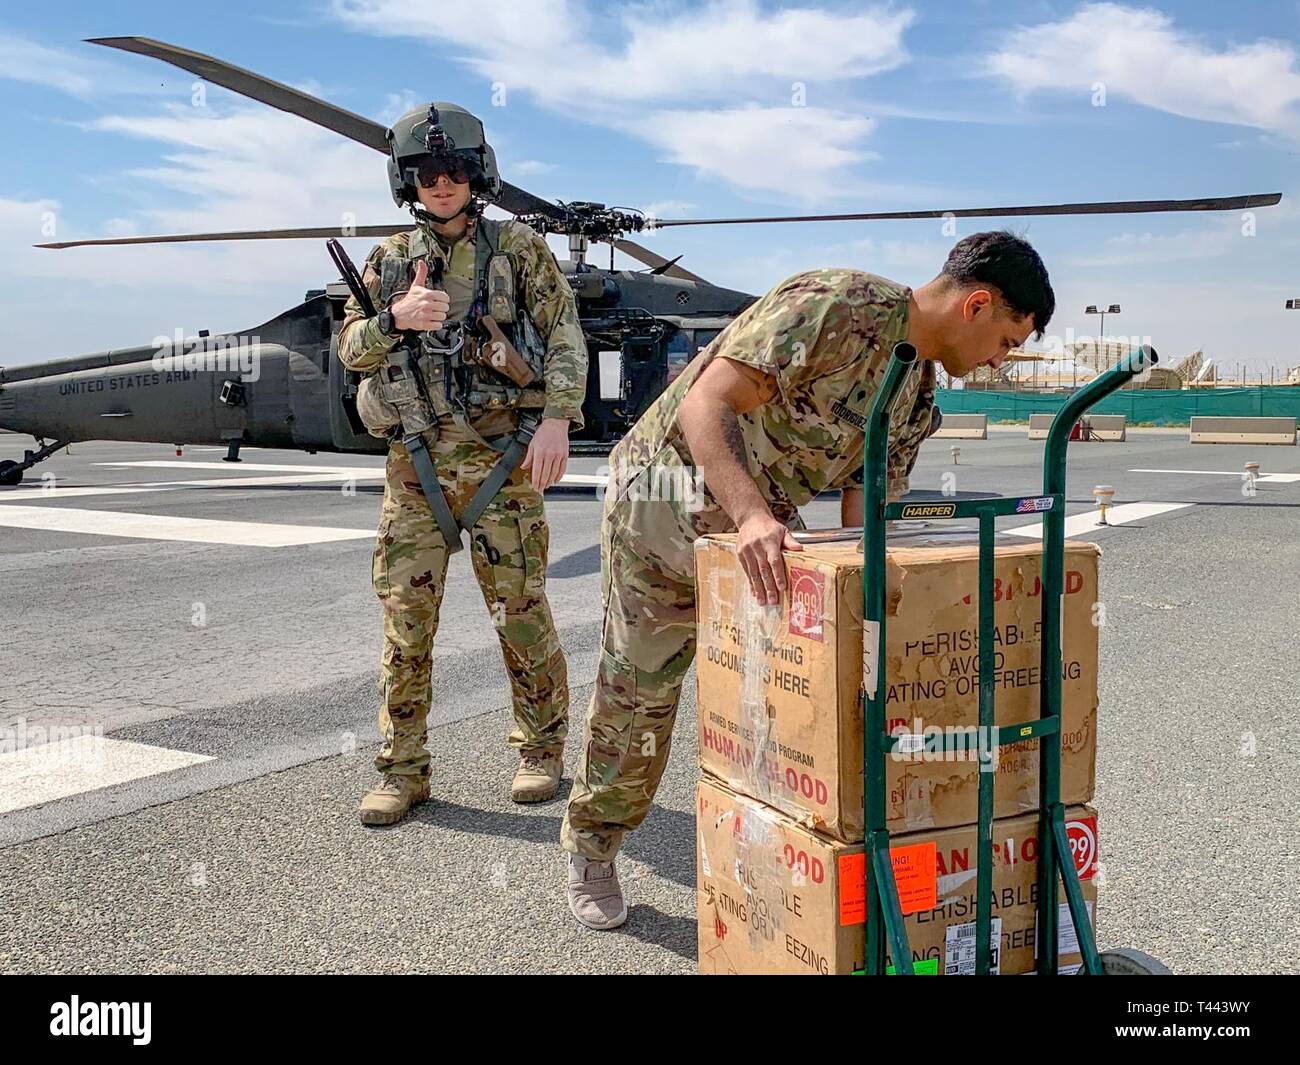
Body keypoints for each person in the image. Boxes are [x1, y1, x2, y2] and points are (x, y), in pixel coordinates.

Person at [559, 230, 1055, 928]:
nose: (1001, 361)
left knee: (780, 690)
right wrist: (754, 514)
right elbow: (707, 403)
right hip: (663, 504)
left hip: (759, 532)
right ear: (977, 304)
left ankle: (773, 851)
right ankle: (593, 844)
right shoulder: (834, 306)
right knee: (642, 690)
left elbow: (865, 509)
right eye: (1007, 340)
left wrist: (879, 598)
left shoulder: (913, 394)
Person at [337, 103, 586, 825]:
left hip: (504, 465)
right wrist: (394, 320)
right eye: (425, 173)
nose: (441, 184)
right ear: (407, 181)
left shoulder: (519, 250)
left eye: (453, 171)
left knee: (523, 617)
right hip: (415, 472)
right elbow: (350, 352)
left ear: (476, 174)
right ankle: (401, 768)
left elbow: (564, 335)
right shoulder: (388, 260)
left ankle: (541, 749)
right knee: (406, 627)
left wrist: (558, 421)